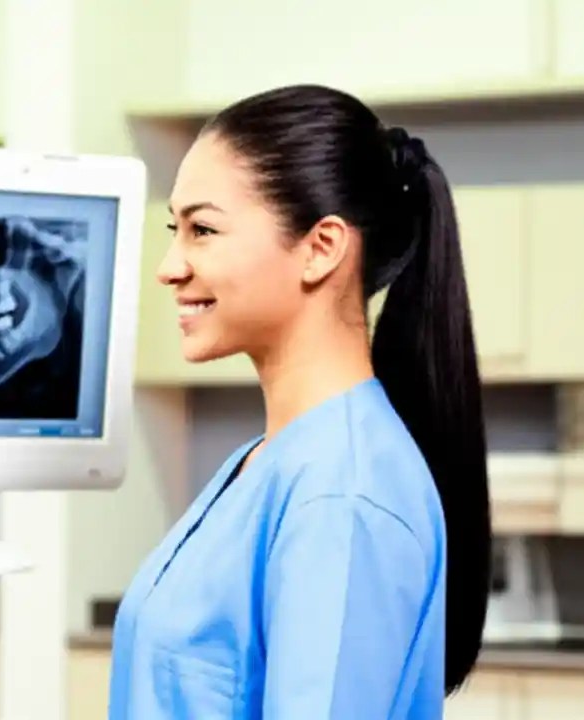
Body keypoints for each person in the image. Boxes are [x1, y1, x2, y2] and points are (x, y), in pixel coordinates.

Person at [107, 84, 492, 718]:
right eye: (175, 229)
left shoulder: (343, 492)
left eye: (203, 229)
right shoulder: (270, 462)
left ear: (321, 248)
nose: (170, 266)